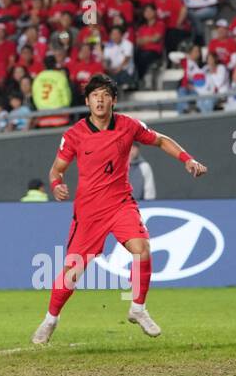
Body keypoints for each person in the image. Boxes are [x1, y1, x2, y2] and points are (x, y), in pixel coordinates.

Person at [34, 75, 207, 346]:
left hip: (120, 204)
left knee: (142, 248)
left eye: (104, 95)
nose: (100, 100)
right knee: (73, 271)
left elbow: (160, 140)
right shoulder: (74, 134)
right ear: (87, 101)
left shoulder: (128, 126)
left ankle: (137, 308)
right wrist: (56, 185)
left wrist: (187, 159)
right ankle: (51, 319)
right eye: (94, 95)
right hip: (89, 212)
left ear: (113, 100)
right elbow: (57, 170)